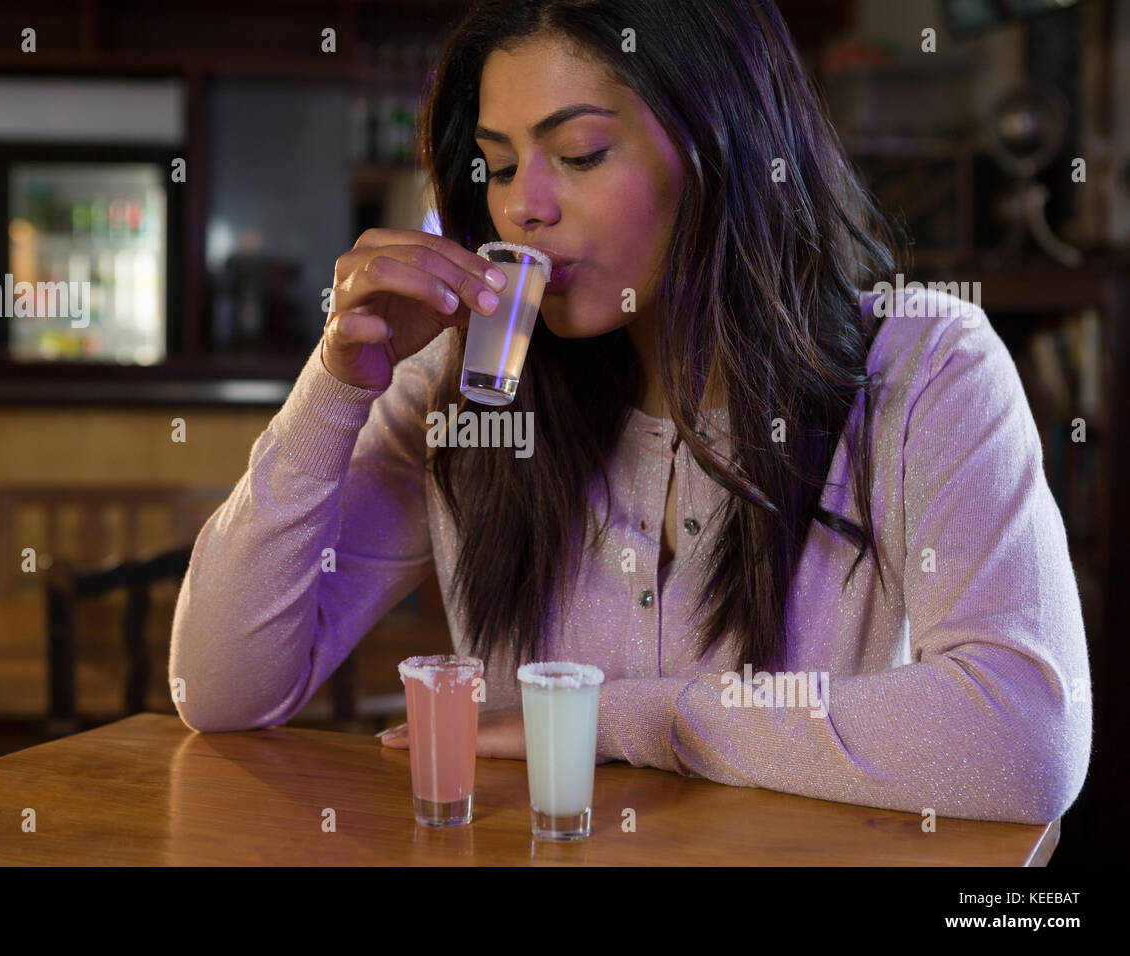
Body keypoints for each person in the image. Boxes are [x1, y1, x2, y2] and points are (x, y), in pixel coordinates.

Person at [170, 0, 1092, 825]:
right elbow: (219, 689)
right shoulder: (464, 388)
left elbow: (1020, 738)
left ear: (719, 146)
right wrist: (335, 386)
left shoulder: (927, 368)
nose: (521, 207)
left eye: (578, 154)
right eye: (496, 165)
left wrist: (608, 716)